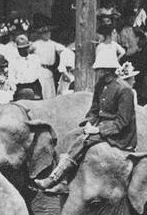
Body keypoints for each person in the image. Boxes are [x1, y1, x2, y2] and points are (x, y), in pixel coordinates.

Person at [35, 57, 139, 194]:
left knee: (83, 141)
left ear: (108, 71)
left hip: (120, 134)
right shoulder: (100, 85)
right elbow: (94, 110)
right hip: (100, 125)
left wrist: (98, 129)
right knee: (70, 136)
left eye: (99, 70)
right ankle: (65, 180)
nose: (97, 72)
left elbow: (122, 122)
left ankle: (56, 178)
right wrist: (89, 123)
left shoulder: (124, 90)